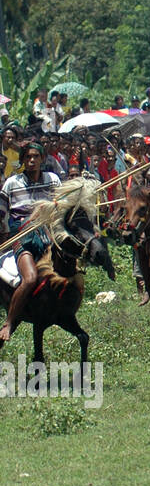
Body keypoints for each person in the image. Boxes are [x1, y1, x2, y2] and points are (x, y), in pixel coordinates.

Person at [0, 141, 63, 343]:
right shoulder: (12, 183)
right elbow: (1, 213)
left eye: (36, 156)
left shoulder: (52, 180)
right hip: (23, 238)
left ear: (42, 158)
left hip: (49, 237)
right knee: (29, 279)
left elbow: (62, 208)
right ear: (22, 160)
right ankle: (9, 322)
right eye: (28, 157)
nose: (32, 160)